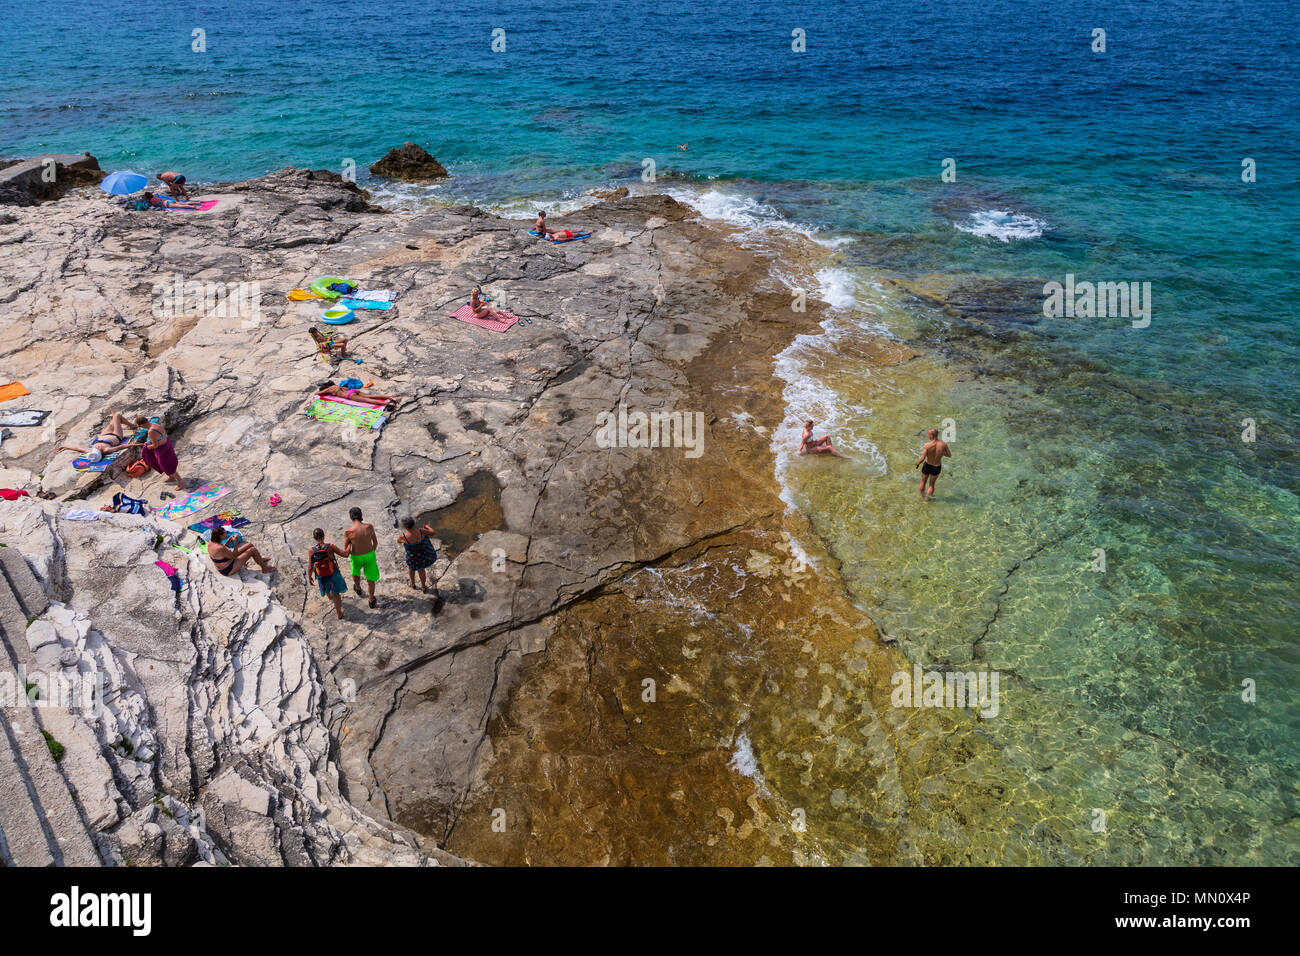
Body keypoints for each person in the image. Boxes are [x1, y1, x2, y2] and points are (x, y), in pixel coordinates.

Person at [58, 407, 140, 462]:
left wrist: (65, 447)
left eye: (95, 448)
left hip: (103, 435)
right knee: (117, 416)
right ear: (100, 453)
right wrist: (139, 444)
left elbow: (78, 449)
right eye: (98, 449)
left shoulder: (90, 451)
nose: (97, 447)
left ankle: (114, 417)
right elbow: (123, 446)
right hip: (115, 436)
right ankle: (130, 425)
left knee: (113, 422)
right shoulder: (107, 450)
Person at [307, 528, 349, 619]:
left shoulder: (311, 551)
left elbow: (310, 567)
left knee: (326, 586)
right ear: (324, 536)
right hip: (332, 573)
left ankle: (329, 596)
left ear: (314, 538)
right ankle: (339, 613)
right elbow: (345, 554)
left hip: (321, 575)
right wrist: (349, 544)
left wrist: (309, 577)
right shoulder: (330, 547)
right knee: (336, 594)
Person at [344, 507, 380, 608]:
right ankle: (371, 599)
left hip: (356, 556)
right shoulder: (369, 527)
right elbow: (375, 542)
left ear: (351, 518)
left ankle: (358, 588)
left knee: (355, 572)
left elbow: (346, 548)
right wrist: (371, 551)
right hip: (369, 555)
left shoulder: (348, 532)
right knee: (371, 579)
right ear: (361, 516)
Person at [136, 417, 184, 489]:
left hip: (162, 450)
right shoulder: (155, 424)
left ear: (142, 424)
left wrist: (147, 447)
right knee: (167, 464)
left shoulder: (150, 431)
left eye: (139, 426)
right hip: (167, 444)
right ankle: (171, 477)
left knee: (168, 467)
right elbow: (160, 436)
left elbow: (155, 445)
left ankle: (180, 481)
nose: (140, 427)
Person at [208, 525, 276, 577]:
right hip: (227, 569)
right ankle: (265, 569)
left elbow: (222, 550)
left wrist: (228, 541)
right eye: (224, 533)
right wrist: (235, 542)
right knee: (252, 550)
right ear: (220, 536)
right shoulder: (220, 548)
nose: (226, 534)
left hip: (226, 561)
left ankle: (260, 559)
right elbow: (234, 555)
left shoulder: (211, 542)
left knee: (249, 544)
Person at [397, 517, 438, 591]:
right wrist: (427, 527)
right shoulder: (421, 531)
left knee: (411, 569)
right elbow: (432, 532)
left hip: (412, 558)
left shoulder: (403, 536)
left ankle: (413, 584)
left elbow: (398, 541)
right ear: (414, 523)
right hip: (423, 556)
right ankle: (423, 586)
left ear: (405, 527)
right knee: (421, 570)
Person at [915, 427, 952, 499]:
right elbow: (949, 455)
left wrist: (917, 464)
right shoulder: (944, 444)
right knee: (931, 485)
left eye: (929, 435)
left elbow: (922, 458)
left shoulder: (927, 445)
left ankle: (922, 497)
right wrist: (941, 453)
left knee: (923, 481)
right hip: (936, 467)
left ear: (931, 435)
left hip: (927, 465)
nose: (928, 436)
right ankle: (927, 499)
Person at [317, 381, 398, 408]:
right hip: (353, 391)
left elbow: (317, 393)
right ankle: (389, 397)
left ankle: (389, 403)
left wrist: (325, 391)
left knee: (369, 401)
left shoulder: (329, 389)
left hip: (350, 396)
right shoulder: (336, 385)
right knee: (371, 396)